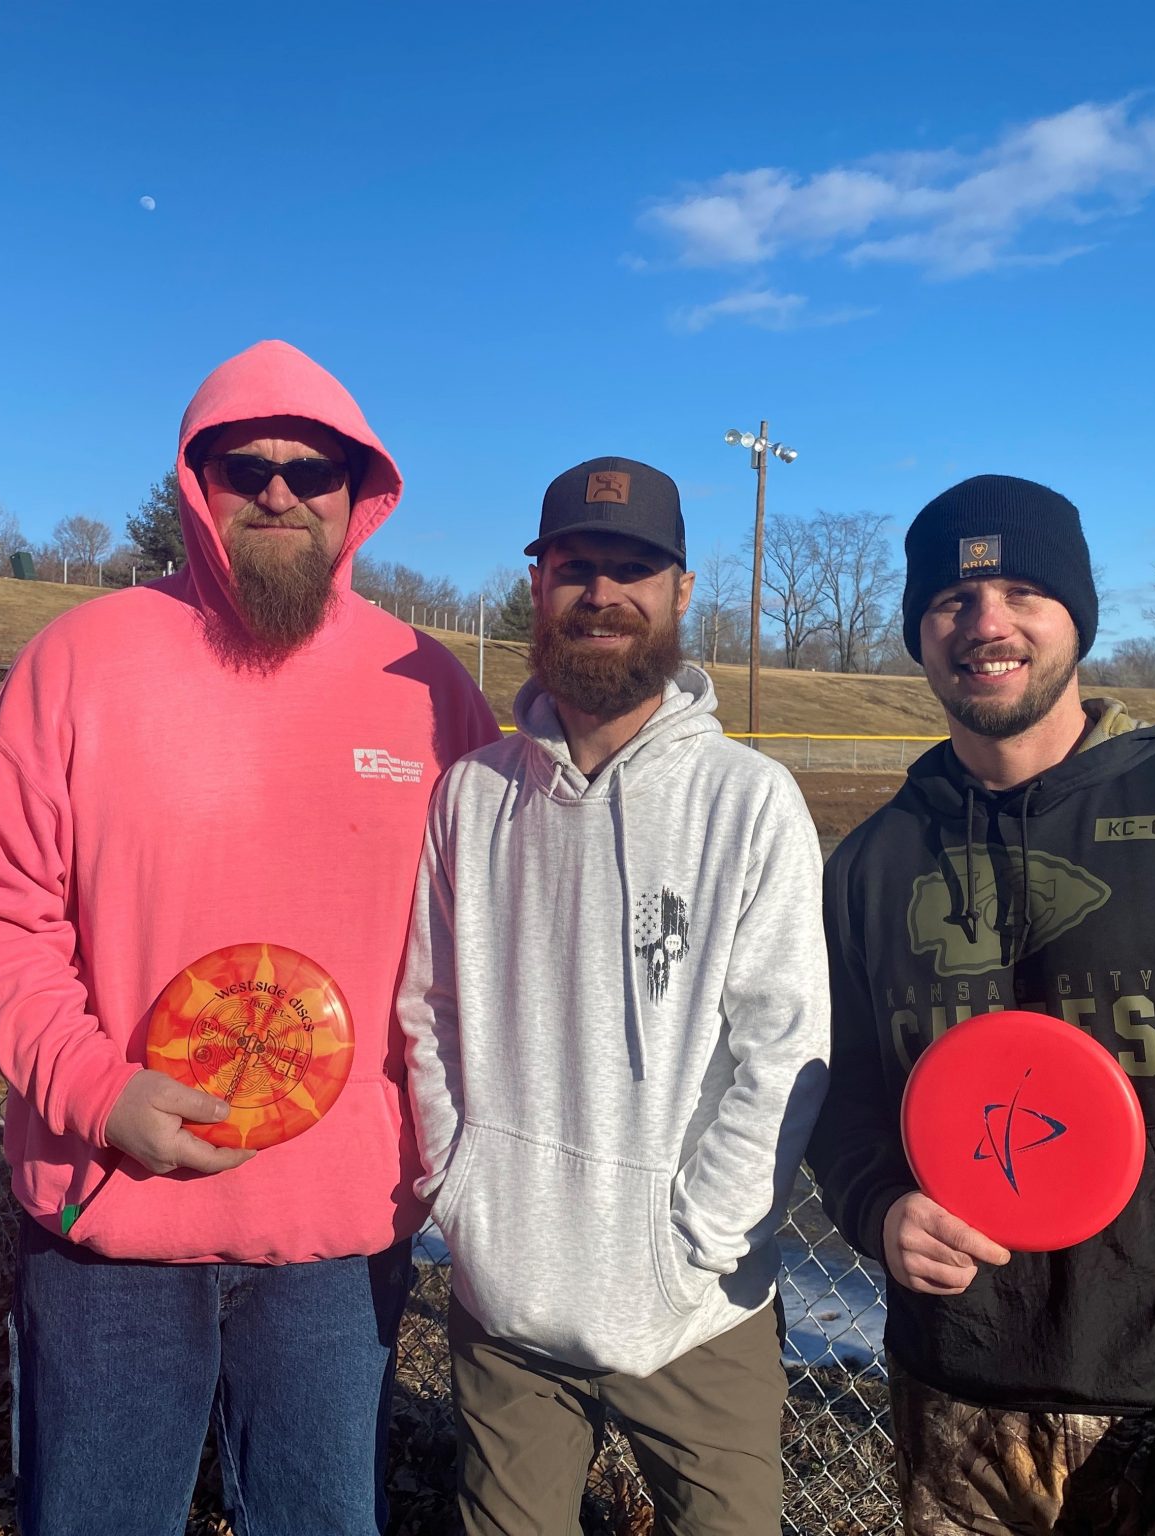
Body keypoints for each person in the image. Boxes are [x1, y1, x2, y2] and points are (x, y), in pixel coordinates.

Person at [0, 339, 499, 1536]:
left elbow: (483, 947)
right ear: (198, 483)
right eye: (248, 466)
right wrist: (96, 1090)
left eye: (317, 468)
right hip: (113, 1217)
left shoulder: (429, 688)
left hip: (335, 1237)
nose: (282, 491)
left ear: (361, 492)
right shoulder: (78, 661)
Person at [806, 474, 1155, 1536]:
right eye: (949, 602)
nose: (985, 626)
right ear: (916, 634)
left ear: (1076, 614)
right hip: (951, 1389)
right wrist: (877, 1209)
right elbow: (836, 1102)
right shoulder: (875, 862)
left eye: (1022, 591)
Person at [397, 456, 830, 1536]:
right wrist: (464, 1192)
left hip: (695, 1312)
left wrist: (696, 1240)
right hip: (506, 1306)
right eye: (576, 565)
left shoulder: (748, 801)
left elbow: (781, 1049)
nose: (602, 593)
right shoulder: (472, 793)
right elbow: (427, 1008)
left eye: (633, 568)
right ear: (536, 585)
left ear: (681, 591)